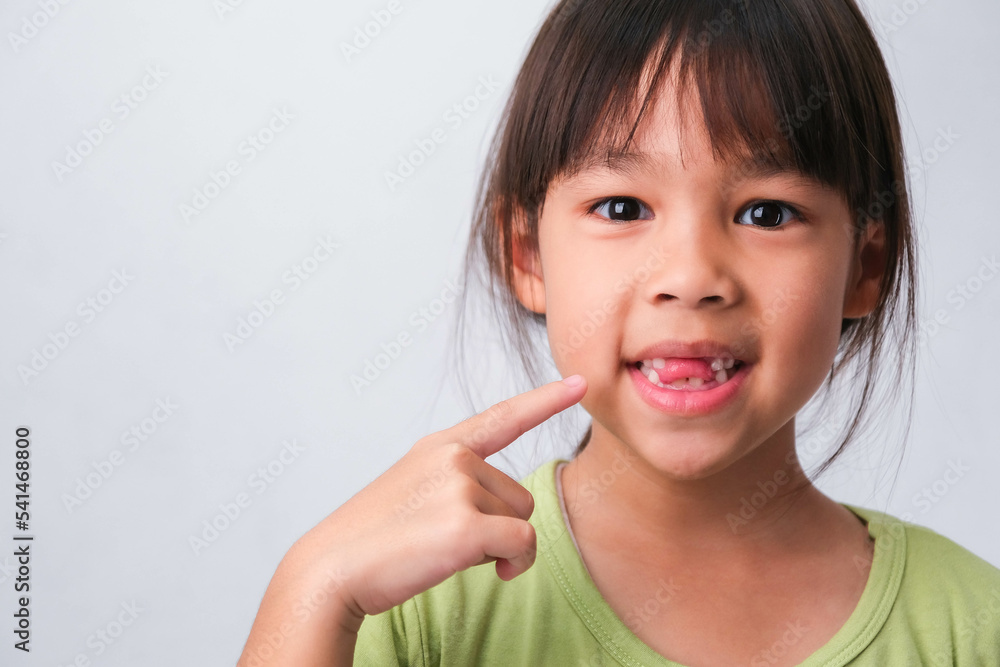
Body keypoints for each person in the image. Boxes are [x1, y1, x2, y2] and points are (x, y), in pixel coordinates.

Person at [237, 1, 1000, 664]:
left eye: (767, 213)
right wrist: (309, 587)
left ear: (866, 264)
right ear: (528, 254)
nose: (692, 275)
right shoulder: (410, 603)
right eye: (623, 208)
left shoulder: (971, 626)